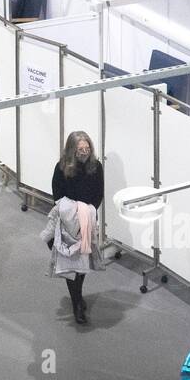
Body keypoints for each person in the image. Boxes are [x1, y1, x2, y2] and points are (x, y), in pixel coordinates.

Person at [49, 131, 105, 325]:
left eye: (87, 148)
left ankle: (78, 296)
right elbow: (57, 194)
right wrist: (72, 215)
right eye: (80, 149)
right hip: (67, 223)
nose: (84, 152)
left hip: (86, 222)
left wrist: (86, 214)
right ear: (72, 150)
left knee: (82, 264)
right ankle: (76, 303)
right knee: (71, 265)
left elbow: (99, 194)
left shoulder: (96, 167)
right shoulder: (62, 167)